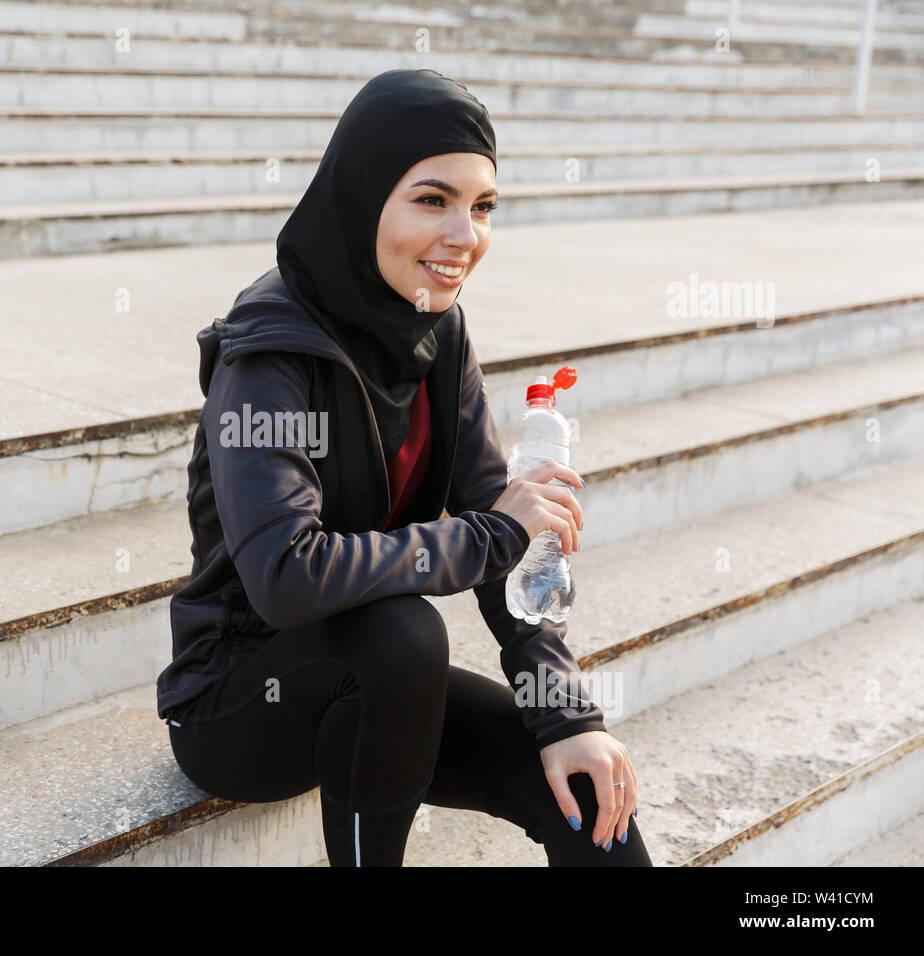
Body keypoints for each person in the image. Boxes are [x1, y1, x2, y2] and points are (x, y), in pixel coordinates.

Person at [156, 68, 651, 866]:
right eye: (432, 200)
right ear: (361, 197)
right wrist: (494, 535)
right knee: (402, 632)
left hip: (377, 690)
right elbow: (287, 576)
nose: (465, 236)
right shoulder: (269, 355)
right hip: (239, 704)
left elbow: (503, 525)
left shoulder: (438, 335)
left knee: (594, 809)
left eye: (482, 206)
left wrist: (564, 713)